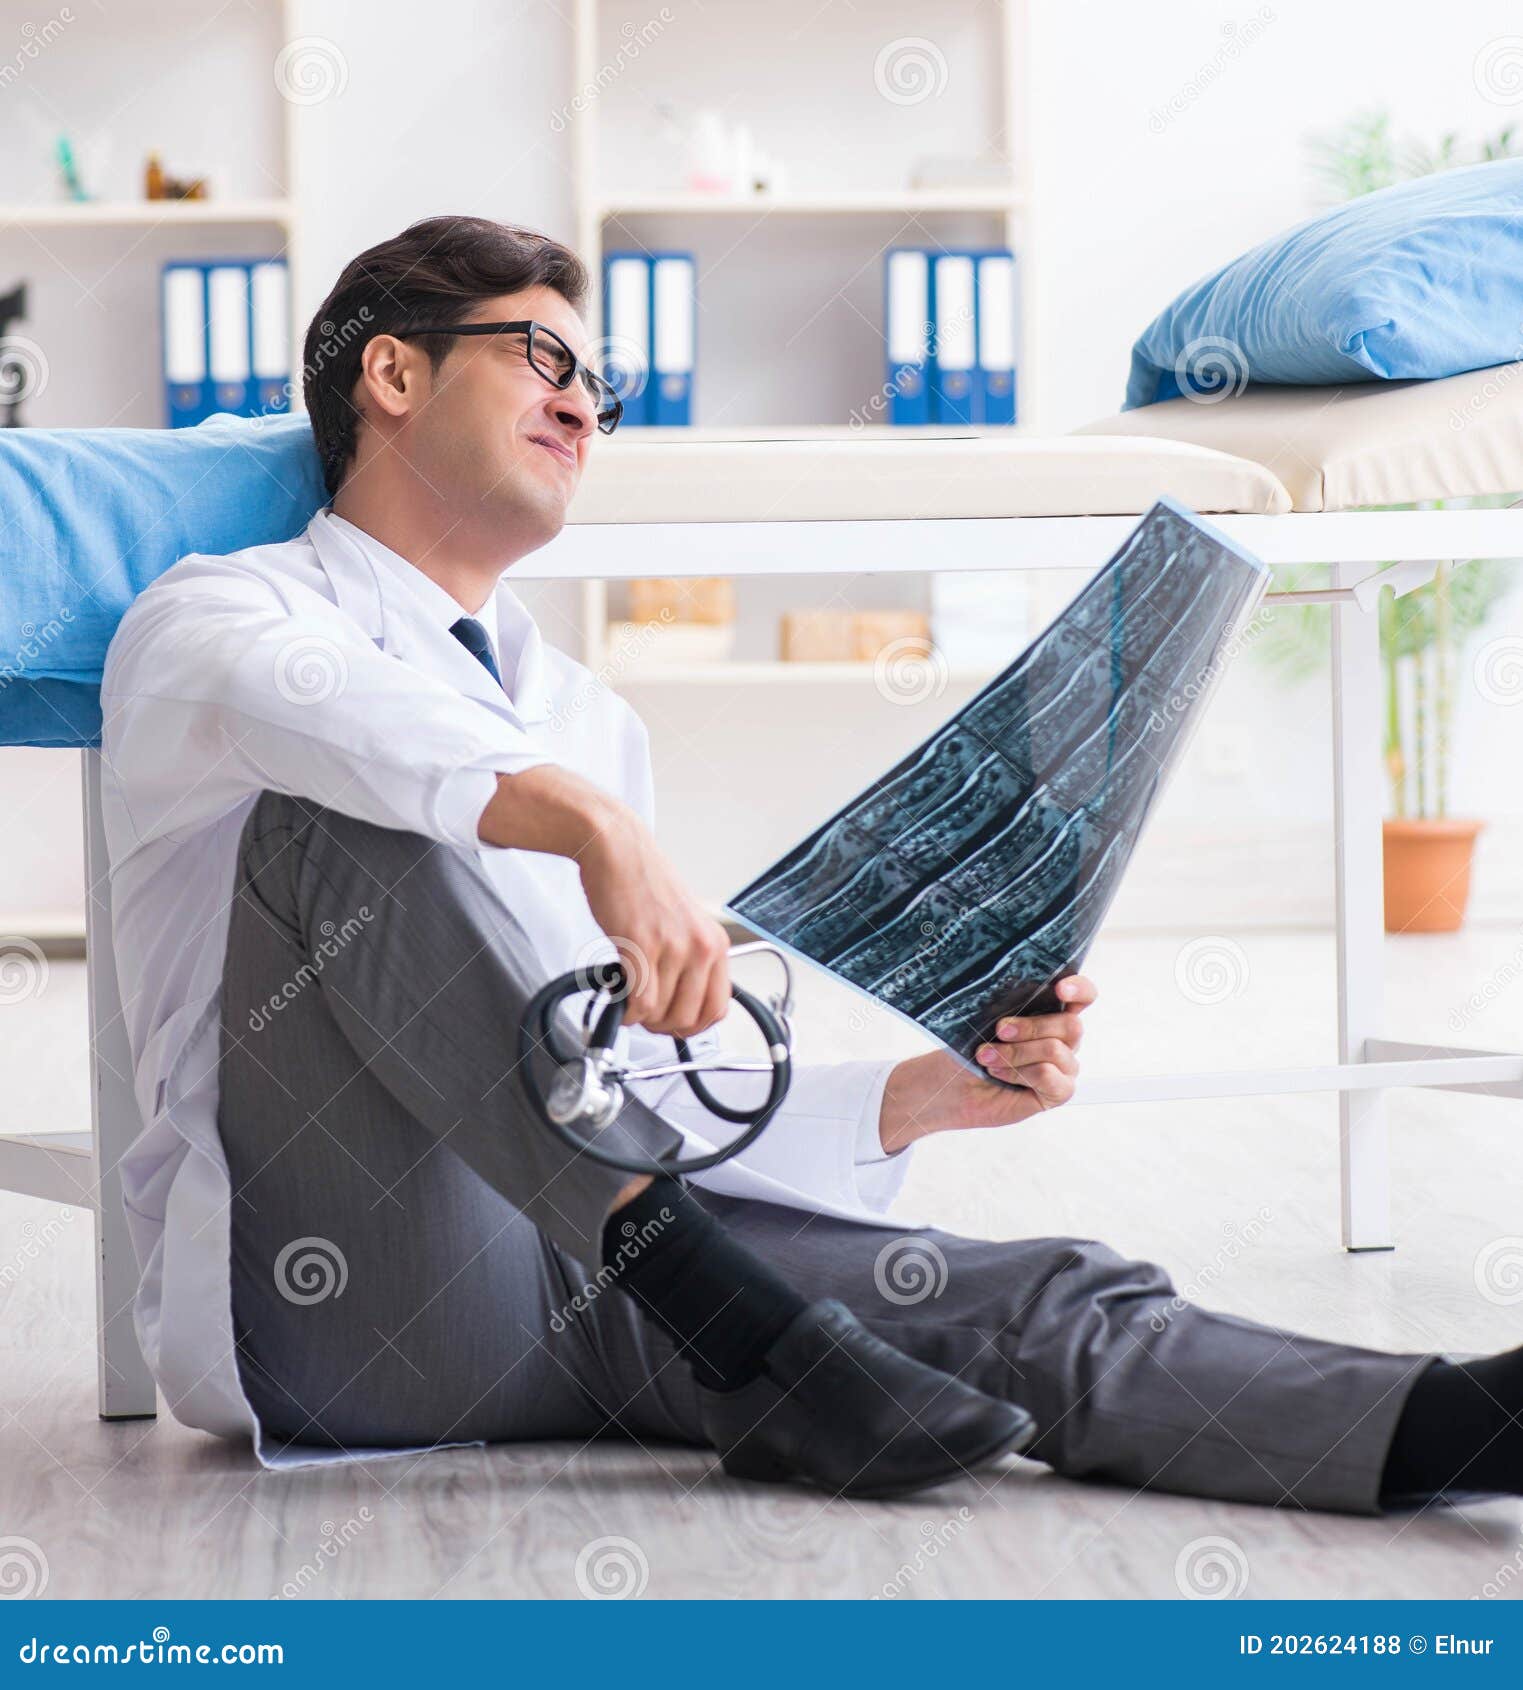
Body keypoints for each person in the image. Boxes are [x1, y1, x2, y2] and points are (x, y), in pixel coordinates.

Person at [101, 215, 1519, 1510]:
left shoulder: (586, 718)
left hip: (625, 1284)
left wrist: (923, 1098)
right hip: (352, 1306)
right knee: (341, 824)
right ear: (393, 373)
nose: (584, 406)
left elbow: (643, 1090)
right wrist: (591, 826)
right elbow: (338, 719)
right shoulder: (214, 615)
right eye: (543, 357)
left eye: (601, 386)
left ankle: (1459, 1429)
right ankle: (743, 1323)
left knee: (1040, 1299)